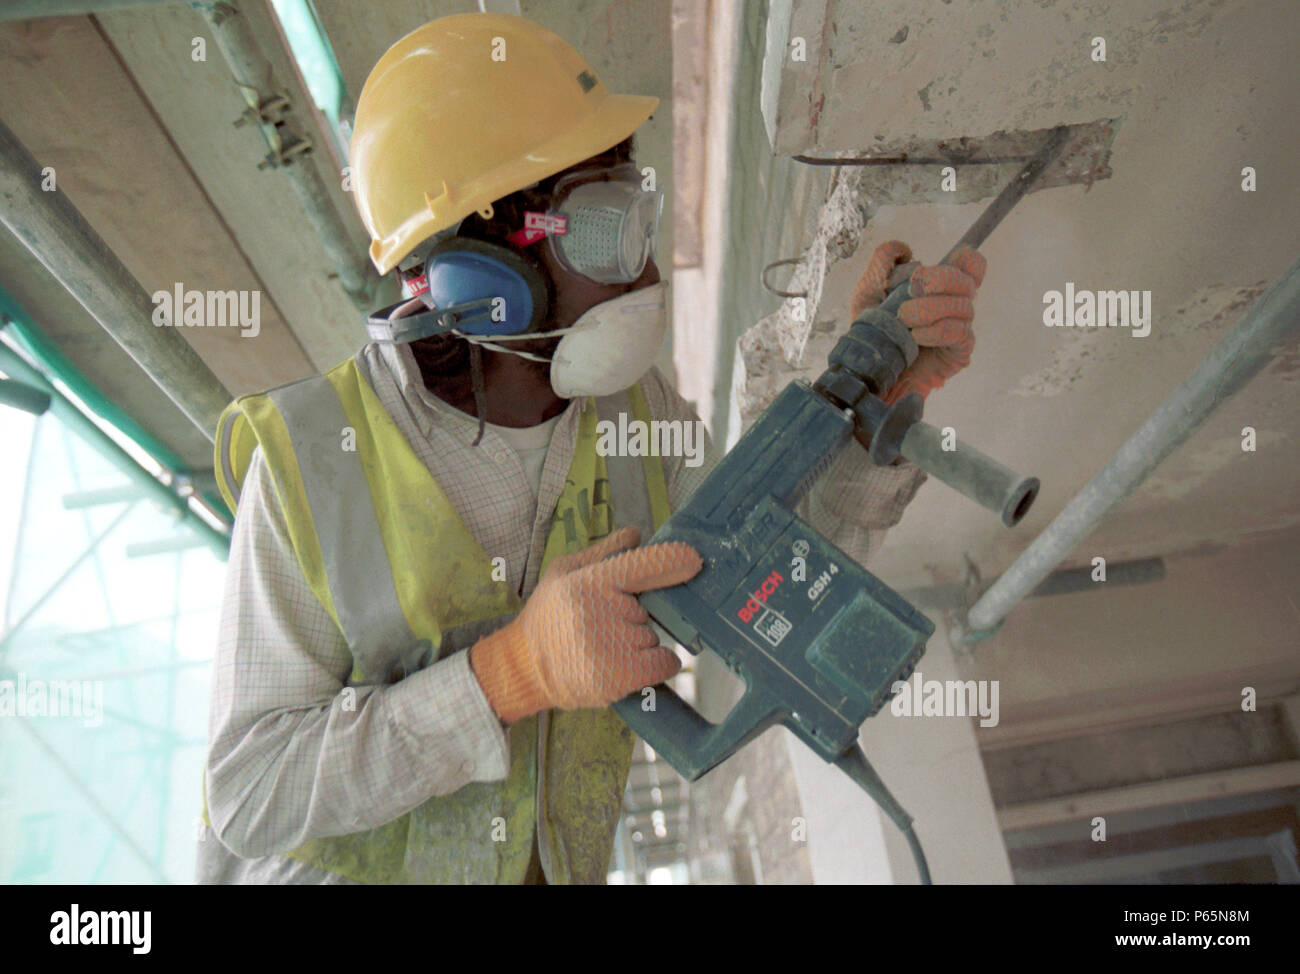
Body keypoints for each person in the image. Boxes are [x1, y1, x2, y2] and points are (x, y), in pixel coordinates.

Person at [196, 12, 986, 885]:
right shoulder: (312, 461)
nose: (645, 274)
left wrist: (871, 412)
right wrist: (508, 674)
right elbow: (251, 792)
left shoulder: (635, 412)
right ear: (483, 279)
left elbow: (773, 582)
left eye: (638, 222)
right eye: (606, 232)